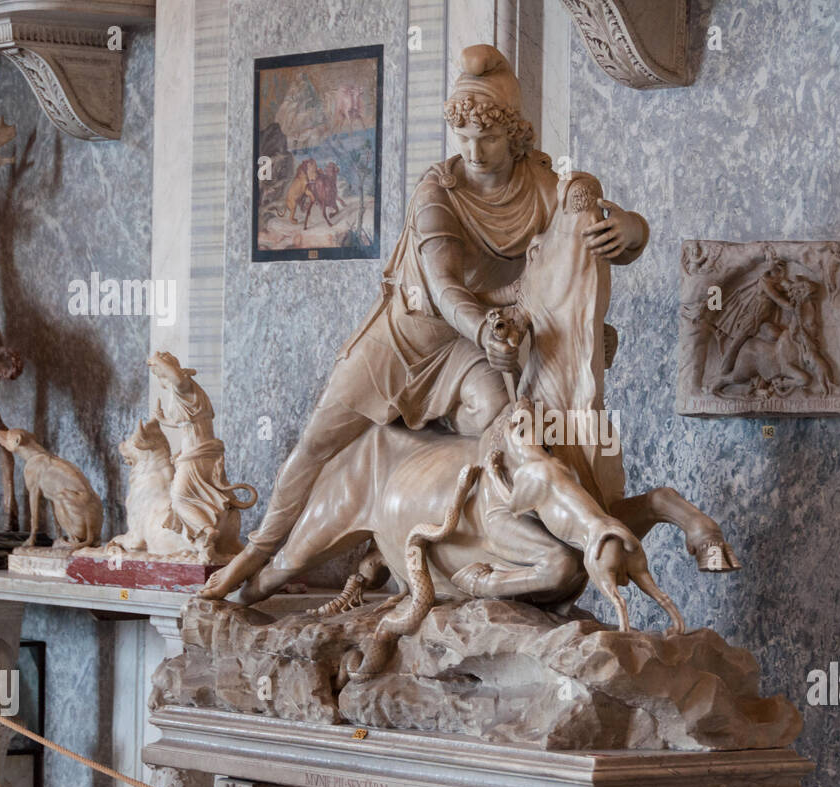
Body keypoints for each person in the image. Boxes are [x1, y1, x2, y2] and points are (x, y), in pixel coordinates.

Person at [202, 44, 649, 599]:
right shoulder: (438, 190)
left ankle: (458, 547)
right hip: (408, 334)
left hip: (471, 348)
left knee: (502, 422)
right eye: (463, 139)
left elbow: (588, 235)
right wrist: (487, 328)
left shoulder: (542, 186)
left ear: (516, 135)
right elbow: (444, 288)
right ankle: (257, 553)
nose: (474, 151)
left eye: (487, 138)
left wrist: (632, 230)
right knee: (316, 442)